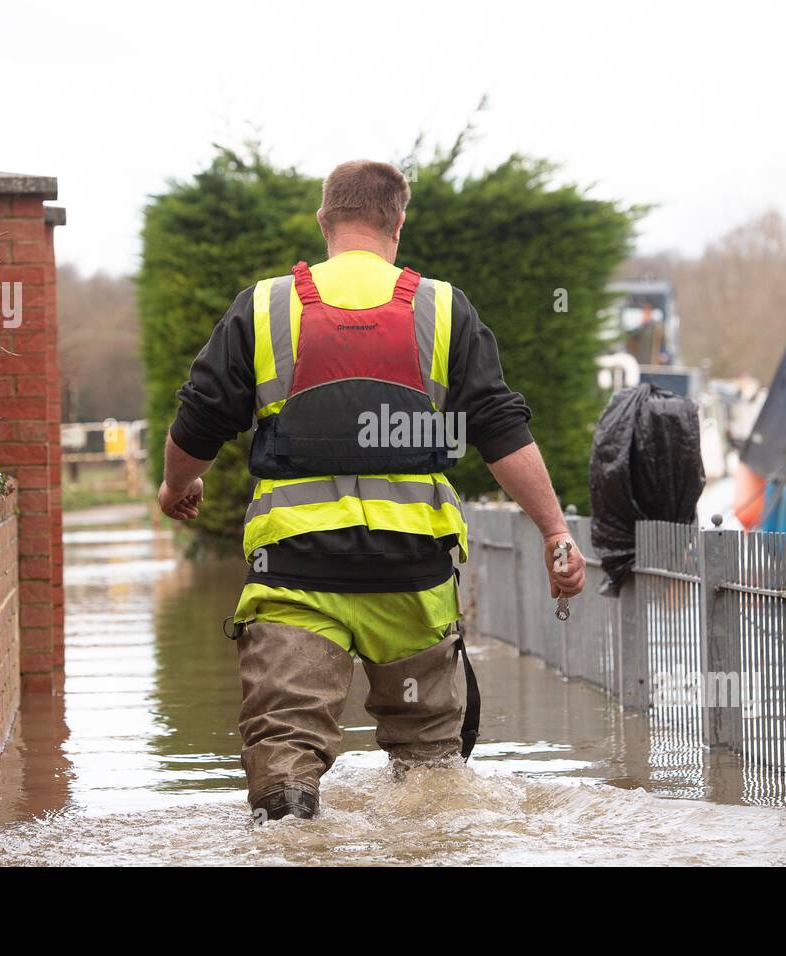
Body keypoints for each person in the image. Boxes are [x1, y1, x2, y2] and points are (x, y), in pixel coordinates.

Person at [159, 159, 586, 822]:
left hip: (294, 579)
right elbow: (501, 430)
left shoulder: (267, 305)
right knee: (432, 776)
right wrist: (557, 533)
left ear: (325, 219)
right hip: (412, 583)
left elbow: (199, 417)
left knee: (285, 772)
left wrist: (175, 486)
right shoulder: (443, 308)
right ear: (398, 221)